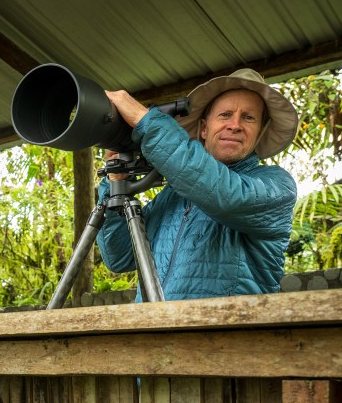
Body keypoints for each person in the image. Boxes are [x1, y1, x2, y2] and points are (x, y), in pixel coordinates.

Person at [95, 69, 299, 300]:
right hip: (155, 332)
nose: (235, 125)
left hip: (226, 334)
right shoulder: (173, 194)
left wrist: (147, 122)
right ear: (204, 128)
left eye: (248, 117)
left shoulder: (277, 185)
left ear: (259, 134)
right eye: (225, 115)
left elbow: (226, 196)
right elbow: (119, 257)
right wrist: (116, 183)